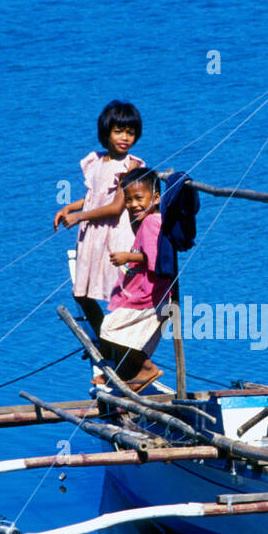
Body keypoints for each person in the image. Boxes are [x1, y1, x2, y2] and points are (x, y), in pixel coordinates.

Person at [53, 101, 145, 338]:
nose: (125, 137)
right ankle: (107, 342)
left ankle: (126, 354)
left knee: (121, 295)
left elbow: (115, 207)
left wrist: (79, 217)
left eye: (130, 133)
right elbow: (95, 197)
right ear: (106, 133)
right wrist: (69, 208)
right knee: (82, 294)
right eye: (119, 131)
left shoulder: (129, 167)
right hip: (93, 236)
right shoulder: (97, 161)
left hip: (115, 236)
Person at [96, 167, 173, 391]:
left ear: (156, 198)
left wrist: (127, 257)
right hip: (154, 292)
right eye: (128, 200)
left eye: (139, 198)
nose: (133, 205)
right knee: (131, 336)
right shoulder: (152, 220)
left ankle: (147, 369)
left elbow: (153, 258)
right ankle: (124, 374)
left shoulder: (151, 223)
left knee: (110, 327)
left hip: (149, 294)